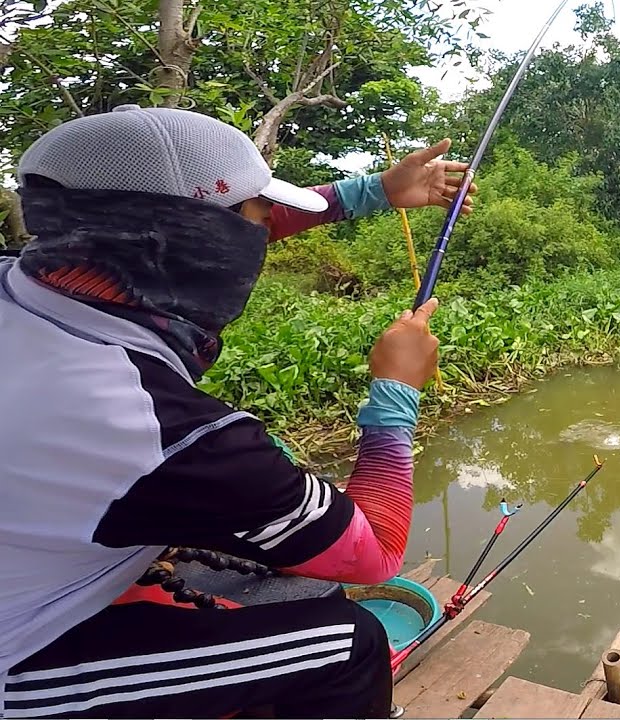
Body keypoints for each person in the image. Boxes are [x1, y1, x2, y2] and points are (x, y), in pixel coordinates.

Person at [0, 104, 475, 718]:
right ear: (203, 238)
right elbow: (375, 550)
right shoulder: (166, 432)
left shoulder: (28, 284)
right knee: (348, 643)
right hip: (14, 666)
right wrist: (395, 395)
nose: (262, 233)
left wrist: (371, 192)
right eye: (254, 219)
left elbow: (172, 240)